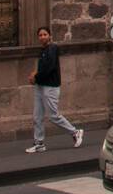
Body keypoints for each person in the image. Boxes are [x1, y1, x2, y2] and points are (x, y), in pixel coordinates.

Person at [27, 26, 82, 154]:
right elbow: (41, 67)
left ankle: (75, 132)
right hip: (40, 86)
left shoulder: (53, 48)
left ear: (50, 36)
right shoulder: (43, 50)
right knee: (37, 116)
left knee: (53, 115)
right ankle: (39, 143)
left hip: (50, 87)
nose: (42, 37)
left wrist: (36, 76)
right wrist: (34, 75)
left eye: (45, 34)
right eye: (40, 35)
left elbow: (50, 67)